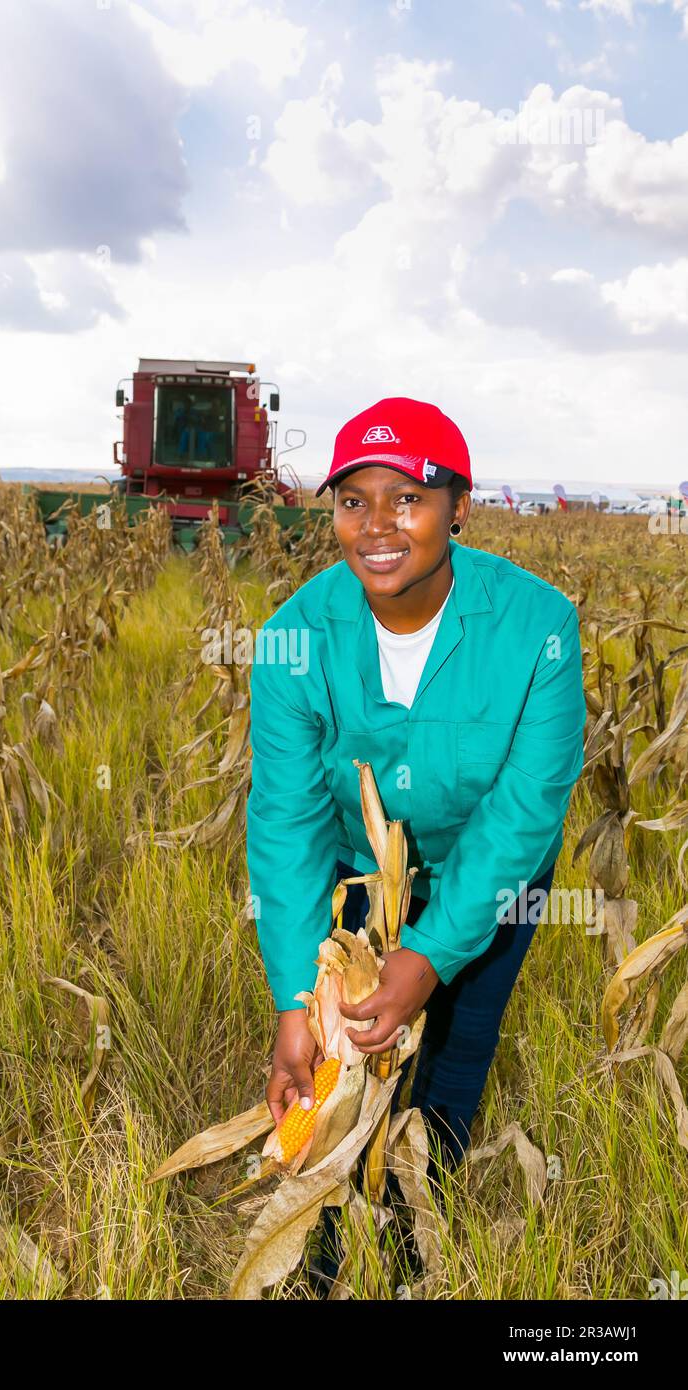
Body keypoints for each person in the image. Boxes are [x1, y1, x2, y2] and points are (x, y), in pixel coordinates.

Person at [246, 397, 586, 1272]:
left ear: (459, 507)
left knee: (456, 1050)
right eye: (353, 500)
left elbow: (525, 810)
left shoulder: (538, 628)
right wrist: (295, 1001)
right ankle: (317, 1247)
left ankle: (408, 1235)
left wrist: (430, 955)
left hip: (492, 873)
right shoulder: (292, 639)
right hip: (362, 876)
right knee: (339, 1055)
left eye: (408, 497)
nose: (377, 526)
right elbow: (286, 822)